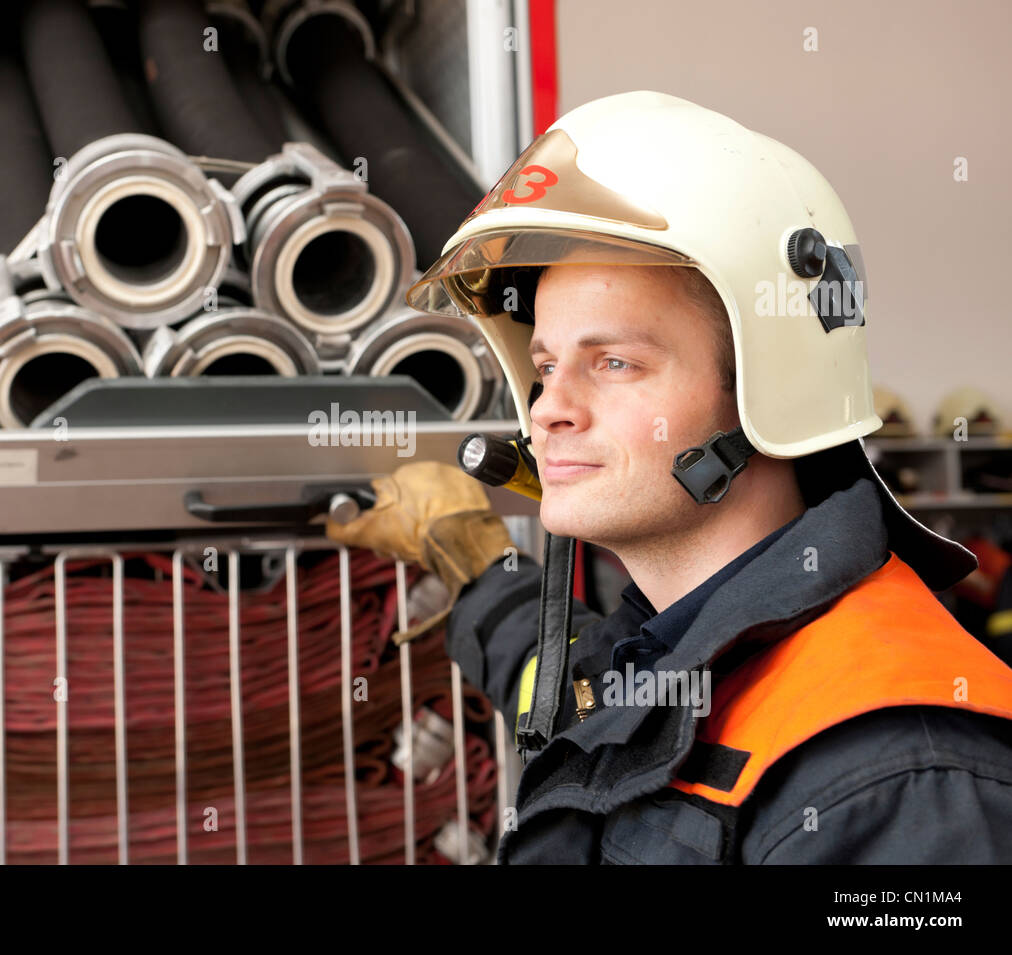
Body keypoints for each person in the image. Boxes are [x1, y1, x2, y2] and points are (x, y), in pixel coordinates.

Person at [328, 91, 1012, 863]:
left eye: (614, 362)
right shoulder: (662, 647)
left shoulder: (901, 778)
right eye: (546, 367)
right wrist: (469, 554)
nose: (549, 407)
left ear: (769, 387)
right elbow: (568, 683)